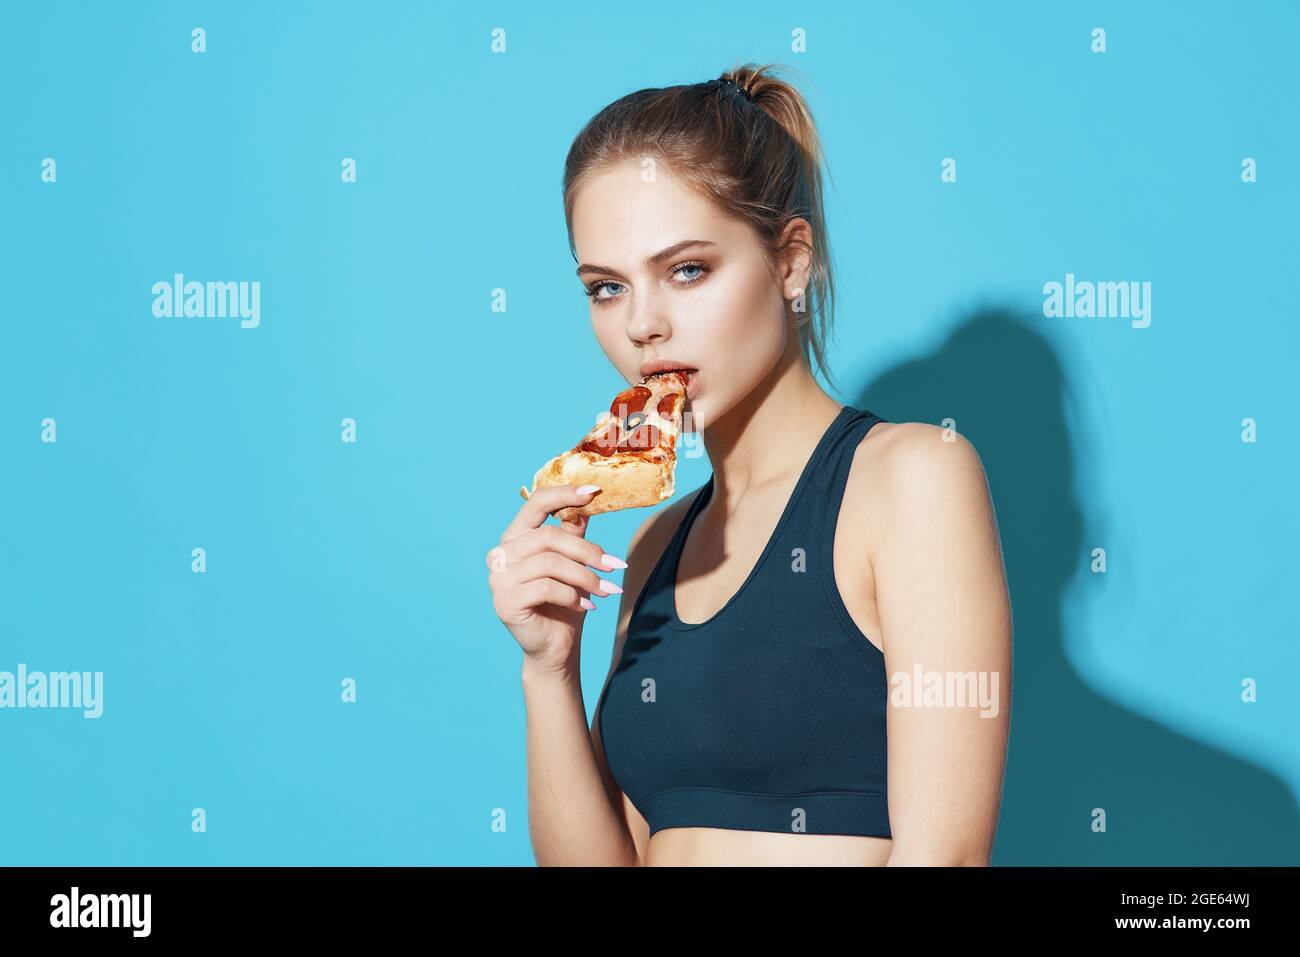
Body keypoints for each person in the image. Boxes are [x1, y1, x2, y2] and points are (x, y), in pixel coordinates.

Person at [487, 63, 1012, 866]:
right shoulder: (657, 544)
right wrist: (548, 668)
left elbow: (946, 856)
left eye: (686, 269)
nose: (642, 326)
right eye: (605, 288)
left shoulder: (911, 478)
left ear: (792, 260)